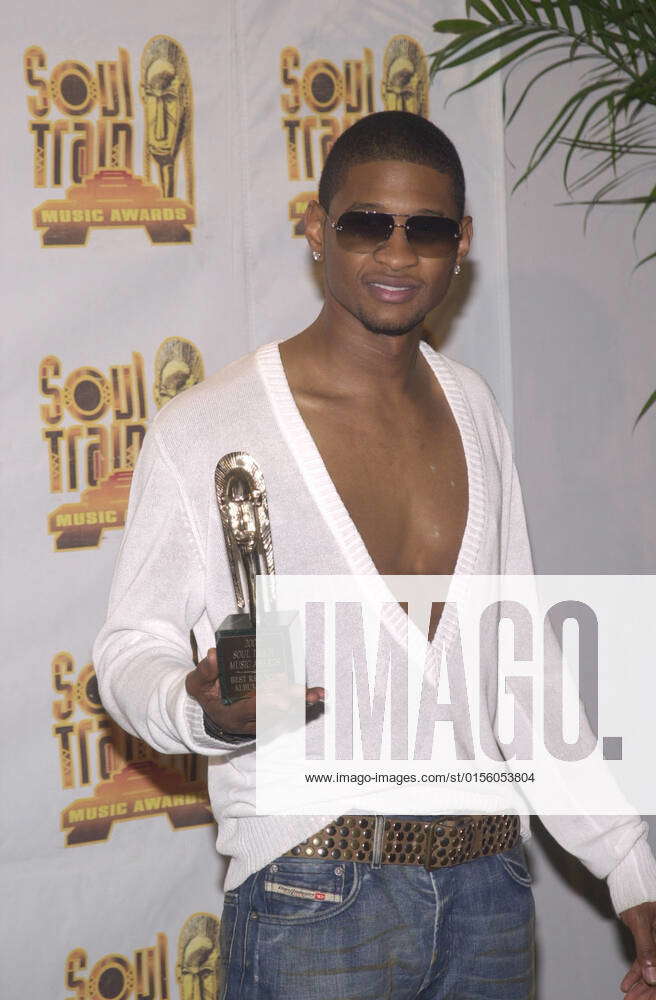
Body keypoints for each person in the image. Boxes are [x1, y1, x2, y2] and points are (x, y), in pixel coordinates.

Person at [94, 111, 656, 999]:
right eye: (367, 224)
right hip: (313, 895)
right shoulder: (209, 427)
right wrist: (201, 711)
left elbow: (524, 669)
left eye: (425, 229)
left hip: (490, 897)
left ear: (461, 243)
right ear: (317, 228)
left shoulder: (473, 408)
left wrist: (629, 866)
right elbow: (130, 649)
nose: (397, 254)